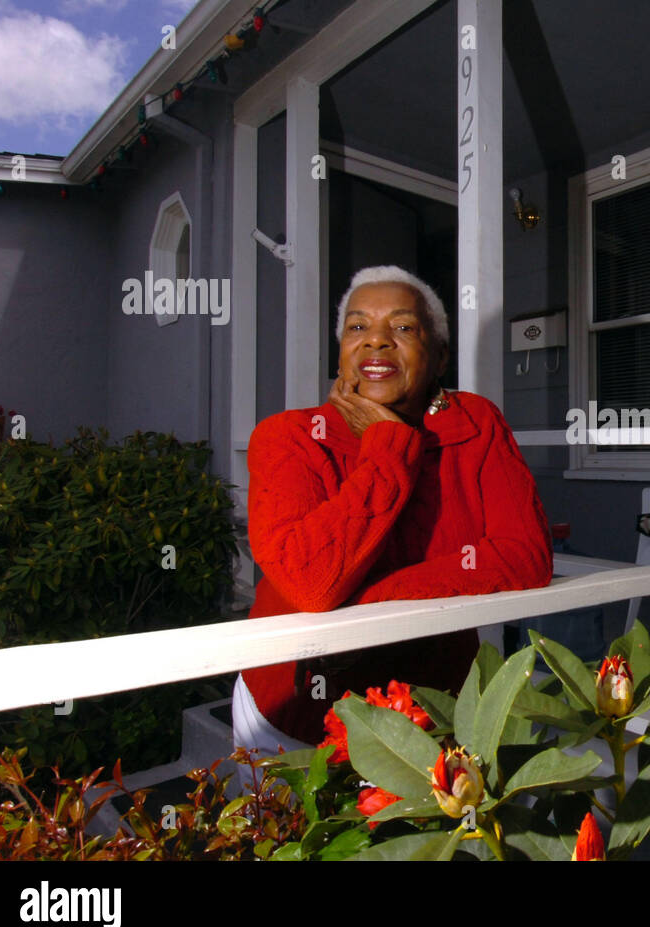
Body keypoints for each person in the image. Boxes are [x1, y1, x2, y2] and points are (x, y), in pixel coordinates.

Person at [232, 265, 553, 753]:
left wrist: (367, 597)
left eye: (403, 328)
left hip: (437, 709)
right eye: (357, 327)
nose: (376, 341)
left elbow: (525, 555)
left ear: (439, 355)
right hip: (298, 714)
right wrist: (389, 447)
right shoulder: (290, 437)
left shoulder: (474, 424)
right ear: (340, 351)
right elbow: (309, 582)